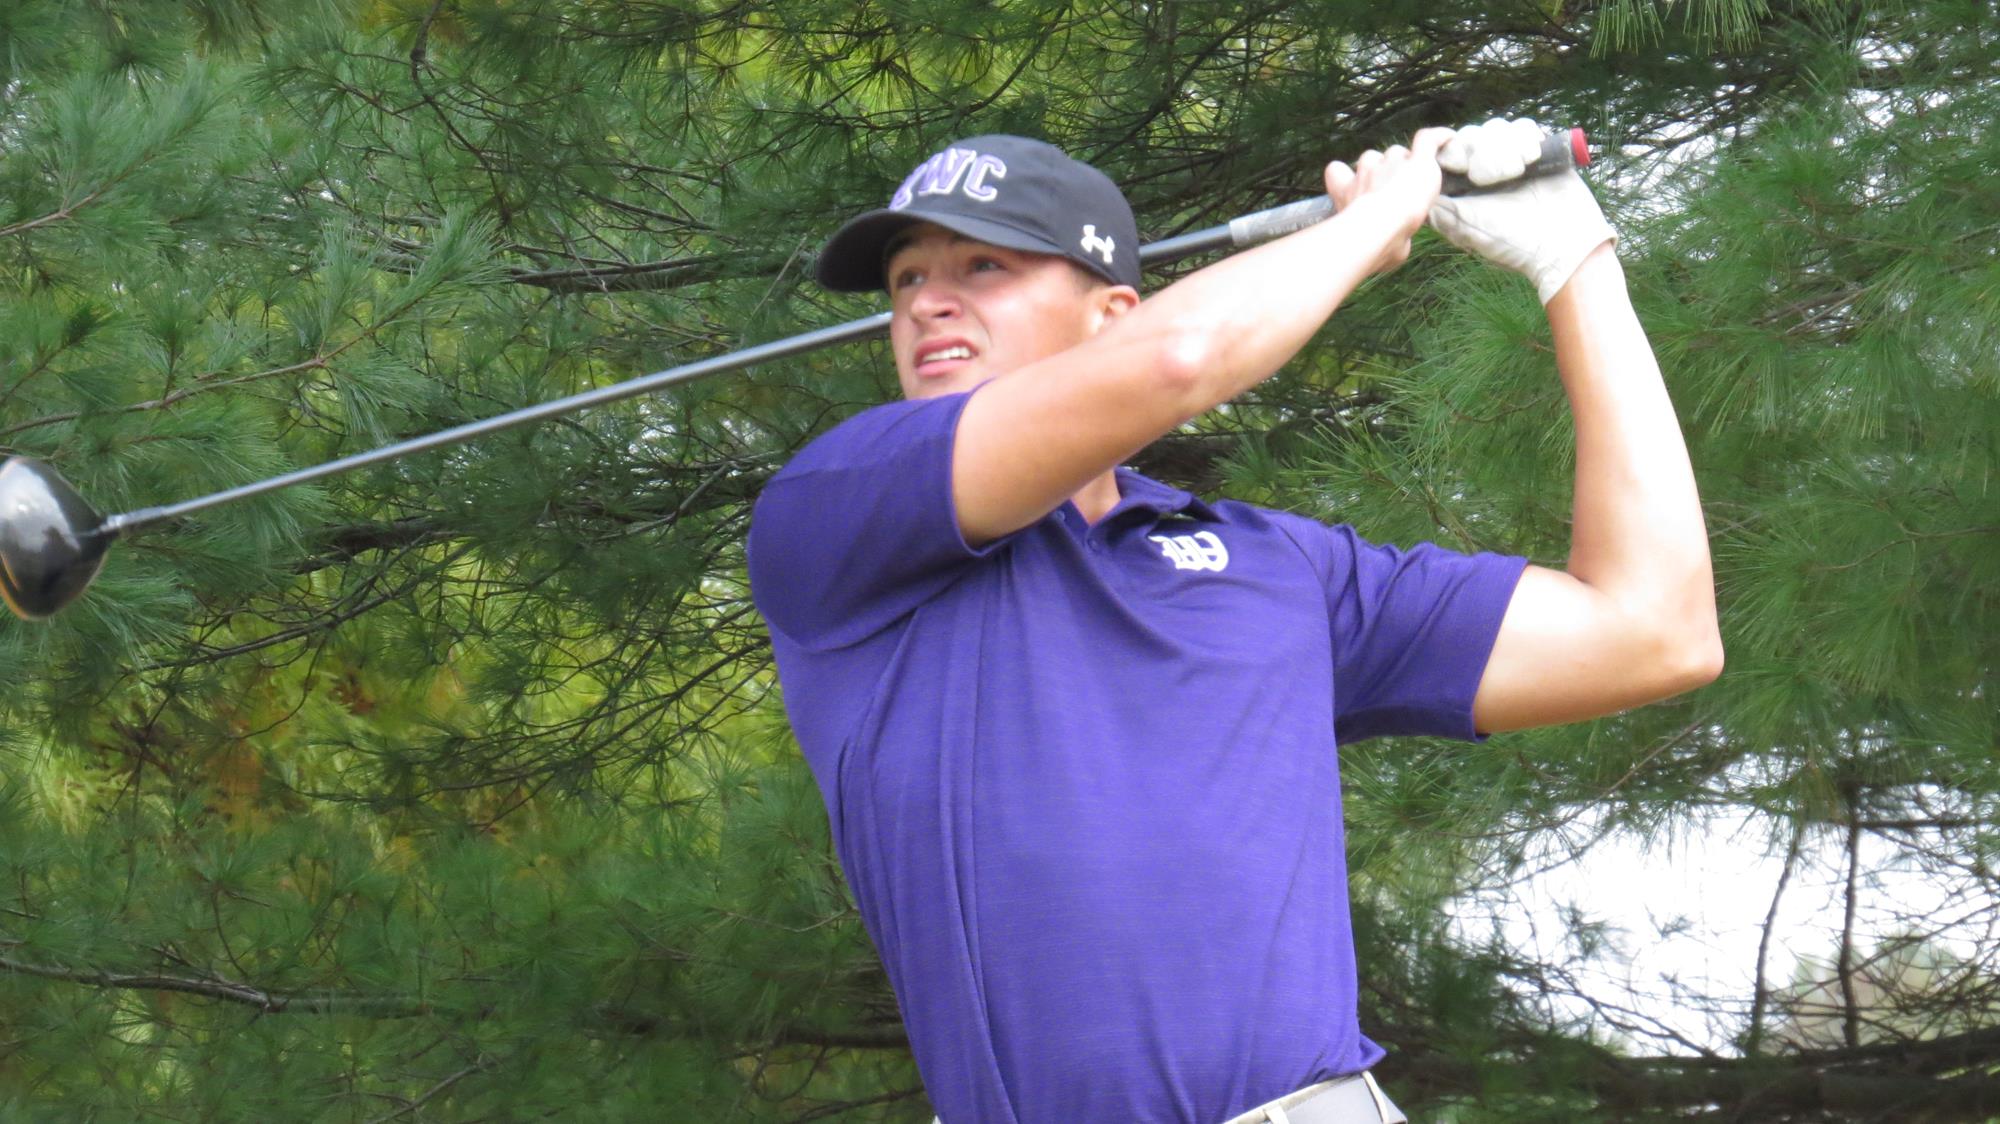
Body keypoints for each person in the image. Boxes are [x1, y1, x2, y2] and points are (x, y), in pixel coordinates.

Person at [746, 123, 1721, 1123]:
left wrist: (1574, 261)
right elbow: (1178, 357)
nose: (928, 301)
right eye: (906, 279)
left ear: (1107, 312)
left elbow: (1653, 628)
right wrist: (1378, 220)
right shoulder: (834, 512)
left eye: (982, 264)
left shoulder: (1275, 566)